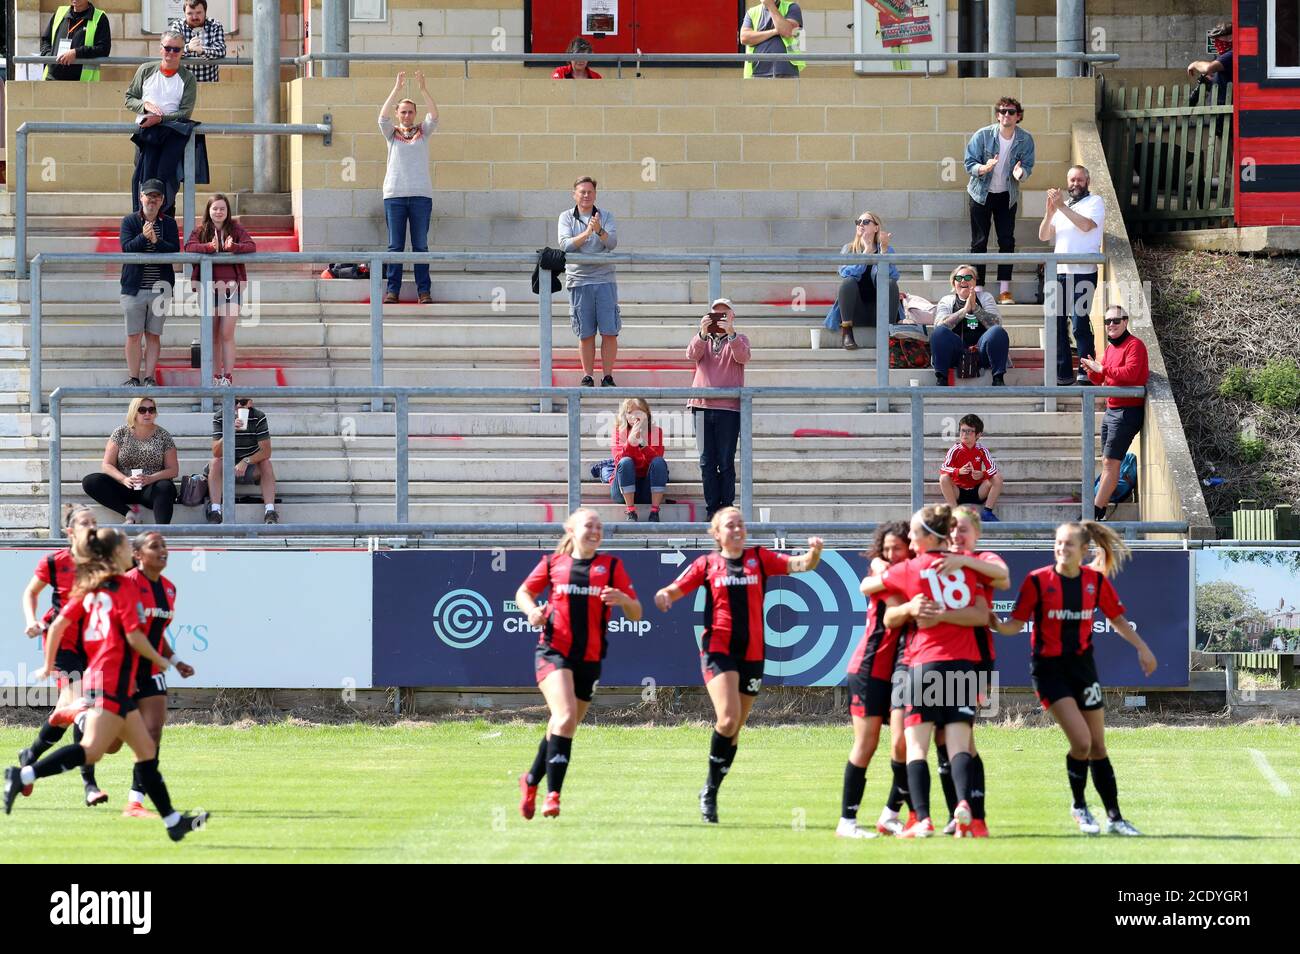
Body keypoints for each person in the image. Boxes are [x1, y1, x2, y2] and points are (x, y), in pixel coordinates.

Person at [3, 528, 208, 841]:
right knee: (92, 750)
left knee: (145, 751)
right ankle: (23, 773)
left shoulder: (91, 587)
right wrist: (162, 660)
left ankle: (173, 821)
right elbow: (134, 636)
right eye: (126, 545)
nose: (130, 549)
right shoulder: (125, 586)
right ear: (117, 555)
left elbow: (57, 624)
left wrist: (47, 664)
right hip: (112, 680)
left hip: (108, 680)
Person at [989, 521, 1157, 836]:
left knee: (1098, 747)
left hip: (1083, 668)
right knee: (1081, 742)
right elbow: (1014, 624)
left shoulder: (1094, 581)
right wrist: (994, 623)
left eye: (1068, 544)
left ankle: (1115, 818)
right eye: (1058, 543)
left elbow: (1117, 619)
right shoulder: (1037, 581)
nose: (1061, 549)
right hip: (1048, 671)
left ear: (1083, 550)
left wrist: (1143, 649)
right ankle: (1080, 807)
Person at [655, 509, 823, 824]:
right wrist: (665, 596)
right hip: (718, 648)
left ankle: (710, 789)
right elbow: (676, 589)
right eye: (730, 525)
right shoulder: (706, 564)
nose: (737, 529)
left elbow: (800, 565)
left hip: (753, 654)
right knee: (728, 718)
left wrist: (814, 553)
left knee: (734, 729)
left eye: (740, 524)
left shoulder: (758, 558)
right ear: (716, 533)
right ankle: (710, 795)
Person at [861, 504, 991, 838]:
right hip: (964, 663)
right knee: (960, 744)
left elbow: (870, 587)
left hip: (924, 661)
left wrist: (880, 569)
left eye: (914, 532)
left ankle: (922, 819)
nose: (911, 538)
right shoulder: (963, 567)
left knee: (916, 746)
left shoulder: (912, 567)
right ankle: (964, 805)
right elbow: (981, 612)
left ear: (924, 536)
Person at [515, 509, 641, 819]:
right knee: (566, 716)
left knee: (563, 724)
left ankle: (531, 780)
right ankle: (553, 795)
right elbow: (524, 592)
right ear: (571, 529)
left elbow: (637, 612)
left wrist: (623, 599)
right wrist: (532, 612)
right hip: (553, 651)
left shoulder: (611, 567)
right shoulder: (553, 563)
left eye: (600, 526)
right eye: (589, 525)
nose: (596, 530)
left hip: (591, 659)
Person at [924, 505, 1008, 837]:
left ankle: (978, 817)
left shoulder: (984, 559)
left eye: (964, 529)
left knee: (964, 739)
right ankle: (956, 814)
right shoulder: (940, 559)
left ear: (977, 534)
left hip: (975, 659)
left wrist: (965, 560)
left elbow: (1003, 577)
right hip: (940, 656)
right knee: (942, 738)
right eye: (953, 528)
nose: (957, 535)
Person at [16, 505, 106, 806]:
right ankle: (90, 785)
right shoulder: (55, 562)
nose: (91, 527)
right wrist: (31, 620)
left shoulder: (105, 562)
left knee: (67, 713)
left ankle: (30, 756)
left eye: (95, 522)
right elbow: (30, 592)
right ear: (70, 532)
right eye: (84, 522)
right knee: (83, 709)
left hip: (94, 648)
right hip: (63, 645)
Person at [837, 521, 911, 839]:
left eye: (898, 547)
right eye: (887, 548)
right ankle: (847, 823)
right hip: (869, 668)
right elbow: (895, 609)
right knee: (866, 744)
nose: (891, 554)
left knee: (905, 744)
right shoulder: (884, 575)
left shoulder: (901, 573)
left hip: (900, 671)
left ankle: (890, 815)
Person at [122, 532, 195, 818]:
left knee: (152, 732)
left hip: (152, 670)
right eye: (155, 546)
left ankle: (135, 801)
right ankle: (30, 771)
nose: (163, 550)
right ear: (138, 555)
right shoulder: (126, 585)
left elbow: (157, 634)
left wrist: (176, 661)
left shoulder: (169, 589)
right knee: (108, 745)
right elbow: (129, 632)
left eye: (164, 545)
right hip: (123, 669)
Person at [964, 97, 1035, 303]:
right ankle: (977, 289)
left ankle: (1005, 290)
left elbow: (1028, 166)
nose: (1006, 115)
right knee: (979, 242)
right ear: (997, 115)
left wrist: (1020, 172)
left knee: (1006, 240)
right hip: (981, 195)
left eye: (1011, 112)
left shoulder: (1025, 139)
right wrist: (983, 168)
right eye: (1002, 111)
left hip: (1006, 195)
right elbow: (969, 162)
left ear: (1018, 116)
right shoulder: (983, 135)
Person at [1081, 305, 1148, 520]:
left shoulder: (1135, 345)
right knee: (1106, 461)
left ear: (1126, 322)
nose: (1111, 325)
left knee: (1111, 463)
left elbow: (1130, 374)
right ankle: (1096, 510)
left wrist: (1102, 369)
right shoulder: (1110, 349)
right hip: (1112, 410)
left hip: (1127, 412)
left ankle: (1094, 512)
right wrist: (1093, 372)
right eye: (1107, 321)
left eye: (1116, 320)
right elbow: (1103, 379)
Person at [1039, 165, 1104, 386]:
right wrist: (1050, 213)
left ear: (1087, 181)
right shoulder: (1062, 206)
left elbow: (1086, 226)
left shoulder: (1095, 202)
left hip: (1083, 273)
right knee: (1056, 324)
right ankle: (1063, 373)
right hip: (1059, 273)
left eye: (1079, 180)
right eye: (1072, 180)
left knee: (1079, 323)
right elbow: (1043, 235)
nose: (1075, 184)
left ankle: (1087, 371)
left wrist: (1061, 208)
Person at [379, 71, 439, 305]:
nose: (406, 115)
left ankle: (423, 291)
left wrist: (423, 89)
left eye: (410, 111)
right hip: (394, 196)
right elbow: (381, 118)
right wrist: (396, 88)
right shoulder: (391, 134)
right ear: (398, 114)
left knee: (420, 246)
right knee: (395, 246)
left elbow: (434, 115)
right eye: (402, 111)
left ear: (415, 114)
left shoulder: (423, 132)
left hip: (420, 196)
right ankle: (392, 290)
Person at [687, 299, 750, 520]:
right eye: (716, 315)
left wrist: (731, 334)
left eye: (725, 315)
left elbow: (742, 357)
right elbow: (691, 355)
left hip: (728, 408)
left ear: (732, 317)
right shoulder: (702, 339)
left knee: (725, 460)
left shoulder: (740, 339)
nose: (720, 319)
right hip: (701, 406)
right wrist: (702, 333)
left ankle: (726, 507)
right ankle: (712, 508)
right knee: (706, 462)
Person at [185, 193, 256, 386]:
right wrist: (208, 247)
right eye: (215, 208)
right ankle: (215, 375)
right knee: (213, 334)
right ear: (209, 211)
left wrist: (234, 247)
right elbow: (189, 247)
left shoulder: (235, 229)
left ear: (227, 211)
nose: (218, 212)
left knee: (227, 333)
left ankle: (228, 376)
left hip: (232, 288)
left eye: (222, 209)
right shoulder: (201, 230)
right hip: (209, 288)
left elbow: (251, 246)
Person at [125, 32, 197, 218]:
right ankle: (142, 225)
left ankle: (166, 225)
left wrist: (160, 119)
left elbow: (185, 112)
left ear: (182, 51)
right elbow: (129, 99)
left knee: (168, 183)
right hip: (146, 136)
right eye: (167, 48)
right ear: (160, 48)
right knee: (144, 181)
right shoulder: (146, 70)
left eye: (176, 49)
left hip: (171, 138)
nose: (171, 53)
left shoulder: (187, 78)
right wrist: (145, 105)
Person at [559, 176, 620, 386]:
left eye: (590, 192)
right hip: (579, 281)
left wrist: (600, 230)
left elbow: (612, 243)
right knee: (585, 333)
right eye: (582, 192)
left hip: (605, 280)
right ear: (574, 194)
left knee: (609, 331)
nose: (586, 195)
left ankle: (608, 376)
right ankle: (588, 375)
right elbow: (566, 245)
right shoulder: (566, 217)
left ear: (595, 194)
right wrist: (587, 232)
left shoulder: (606, 216)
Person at [119, 179, 180, 387]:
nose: (152, 200)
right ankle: (134, 378)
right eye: (148, 195)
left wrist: (156, 241)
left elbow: (174, 250)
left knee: (153, 335)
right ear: (141, 197)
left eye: (156, 196)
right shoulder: (129, 221)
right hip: (133, 289)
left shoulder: (169, 223)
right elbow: (127, 248)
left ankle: (150, 378)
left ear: (162, 200)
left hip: (160, 289)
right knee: (133, 335)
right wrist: (144, 238)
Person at [81, 397, 179, 526]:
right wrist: (123, 479)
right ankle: (129, 514)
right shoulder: (120, 433)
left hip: (150, 488)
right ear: (134, 412)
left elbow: (173, 470)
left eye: (151, 410)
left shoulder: (163, 435)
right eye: (142, 410)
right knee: (91, 481)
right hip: (125, 485)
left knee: (166, 487)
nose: (147, 413)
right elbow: (107, 464)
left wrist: (150, 478)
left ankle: (161, 531)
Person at [826, 211, 902, 350]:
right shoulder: (849, 249)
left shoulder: (887, 249)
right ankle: (847, 332)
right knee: (848, 282)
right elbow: (845, 273)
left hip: (880, 311)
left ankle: (887, 334)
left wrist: (883, 252)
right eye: (858, 222)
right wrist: (866, 252)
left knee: (891, 283)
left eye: (866, 222)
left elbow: (893, 276)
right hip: (856, 311)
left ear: (876, 228)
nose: (861, 224)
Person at [931, 264, 1009, 387]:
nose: (963, 281)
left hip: (981, 351)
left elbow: (996, 323)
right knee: (939, 333)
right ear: (953, 283)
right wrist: (965, 310)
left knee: (997, 332)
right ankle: (942, 379)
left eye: (968, 278)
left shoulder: (985, 297)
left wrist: (976, 309)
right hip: (956, 352)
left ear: (975, 281)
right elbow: (939, 325)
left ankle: (998, 379)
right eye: (959, 278)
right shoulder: (946, 300)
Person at [206, 396, 277, 525]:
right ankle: (215, 510)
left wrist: (246, 461)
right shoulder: (220, 416)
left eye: (242, 402)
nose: (238, 405)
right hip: (226, 465)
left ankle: (270, 511)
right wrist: (229, 431)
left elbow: (266, 452)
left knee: (266, 463)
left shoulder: (258, 416)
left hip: (250, 465)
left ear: (250, 403)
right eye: (234, 402)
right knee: (215, 463)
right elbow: (216, 452)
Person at [610, 398, 668, 523]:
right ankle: (630, 511)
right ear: (625, 415)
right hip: (622, 489)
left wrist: (643, 445)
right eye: (630, 413)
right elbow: (618, 461)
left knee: (659, 462)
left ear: (646, 414)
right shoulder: (619, 432)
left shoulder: (655, 431)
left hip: (646, 488)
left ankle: (654, 512)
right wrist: (630, 443)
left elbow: (657, 460)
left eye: (639, 412)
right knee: (625, 462)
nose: (634, 417)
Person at [938, 413, 1003, 521]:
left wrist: (983, 474)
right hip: (958, 492)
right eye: (962, 430)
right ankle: (955, 513)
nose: (965, 434)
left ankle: (987, 512)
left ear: (978, 435)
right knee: (943, 478)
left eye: (969, 431)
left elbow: (993, 469)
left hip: (978, 491)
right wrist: (959, 471)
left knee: (997, 477)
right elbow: (943, 468)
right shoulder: (955, 449)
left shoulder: (982, 450)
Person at [40, 0, 111, 82]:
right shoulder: (60, 12)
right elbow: (46, 40)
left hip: (81, 82)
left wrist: (76, 53)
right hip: (52, 78)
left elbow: (103, 49)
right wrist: (50, 57)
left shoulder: (99, 17)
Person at [740, 0, 805, 78]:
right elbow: (744, 38)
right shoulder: (752, 12)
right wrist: (775, 31)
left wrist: (771, 6)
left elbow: (787, 31)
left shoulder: (792, 7)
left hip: (787, 70)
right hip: (758, 72)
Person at [168, 0, 227, 84]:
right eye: (190, 13)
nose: (194, 17)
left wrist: (202, 50)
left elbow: (221, 50)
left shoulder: (215, 25)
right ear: (184, 13)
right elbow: (171, 50)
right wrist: (189, 48)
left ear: (205, 12)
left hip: (208, 83)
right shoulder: (178, 26)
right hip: (182, 85)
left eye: (198, 13)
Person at [1188, 21, 1233, 91]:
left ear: (1231, 37)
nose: (1216, 43)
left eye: (1218, 38)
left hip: (1224, 101)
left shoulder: (1231, 54)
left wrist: (1195, 64)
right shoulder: (1225, 56)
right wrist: (1211, 80)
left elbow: (1209, 68)